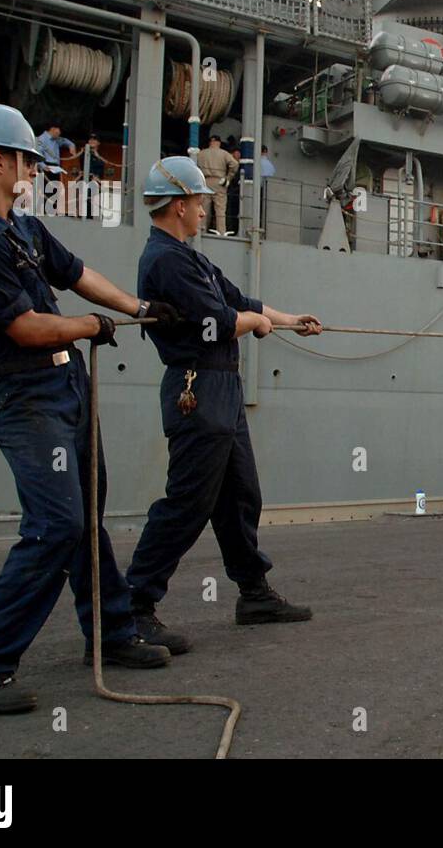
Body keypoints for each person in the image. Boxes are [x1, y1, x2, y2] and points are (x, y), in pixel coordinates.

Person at [0, 104, 182, 715]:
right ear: (0, 160)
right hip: (21, 395)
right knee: (57, 526)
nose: (33, 170)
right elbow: (25, 327)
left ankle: (113, 632)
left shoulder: (20, 228)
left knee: (86, 513)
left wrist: (137, 306)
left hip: (62, 390)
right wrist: (94, 326)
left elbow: (76, 273)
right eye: (26, 160)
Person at [125, 157, 324, 651]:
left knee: (240, 493)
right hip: (197, 387)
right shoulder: (165, 261)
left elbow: (241, 301)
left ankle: (253, 593)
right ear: (177, 206)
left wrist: (289, 318)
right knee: (188, 502)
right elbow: (217, 320)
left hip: (222, 389)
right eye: (198, 201)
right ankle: (132, 607)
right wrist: (253, 325)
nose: (203, 209)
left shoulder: (188, 255)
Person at [195, 135, 238, 236]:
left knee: (204, 208)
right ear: (219, 142)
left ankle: (201, 230)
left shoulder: (201, 154)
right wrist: (228, 177)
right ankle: (221, 232)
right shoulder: (223, 153)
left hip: (205, 182)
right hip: (219, 182)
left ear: (210, 142)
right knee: (220, 209)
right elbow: (235, 164)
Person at [81, 134, 107, 221]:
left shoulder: (99, 155)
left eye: (94, 139)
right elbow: (84, 167)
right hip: (87, 180)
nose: (92, 141)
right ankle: (86, 218)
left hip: (97, 181)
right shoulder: (85, 154)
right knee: (88, 200)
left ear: (98, 142)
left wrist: (96, 155)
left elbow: (103, 165)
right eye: (90, 139)